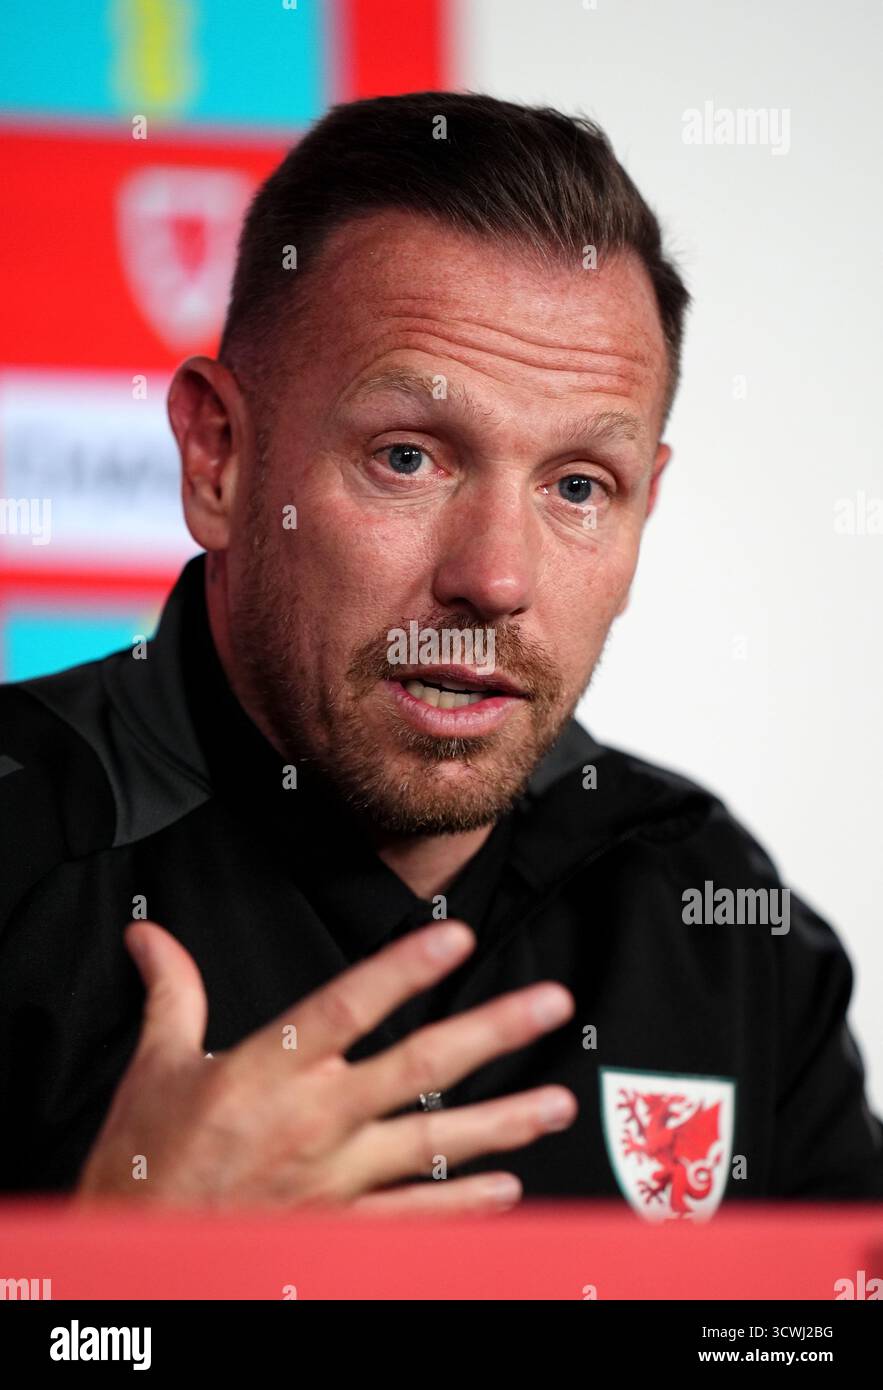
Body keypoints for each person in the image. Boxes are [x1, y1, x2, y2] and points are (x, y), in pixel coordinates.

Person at [1, 92, 880, 1218]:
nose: (497, 578)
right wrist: (123, 1266)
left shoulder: (716, 918)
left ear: (642, 510)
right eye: (408, 457)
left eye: (576, 487)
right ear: (219, 459)